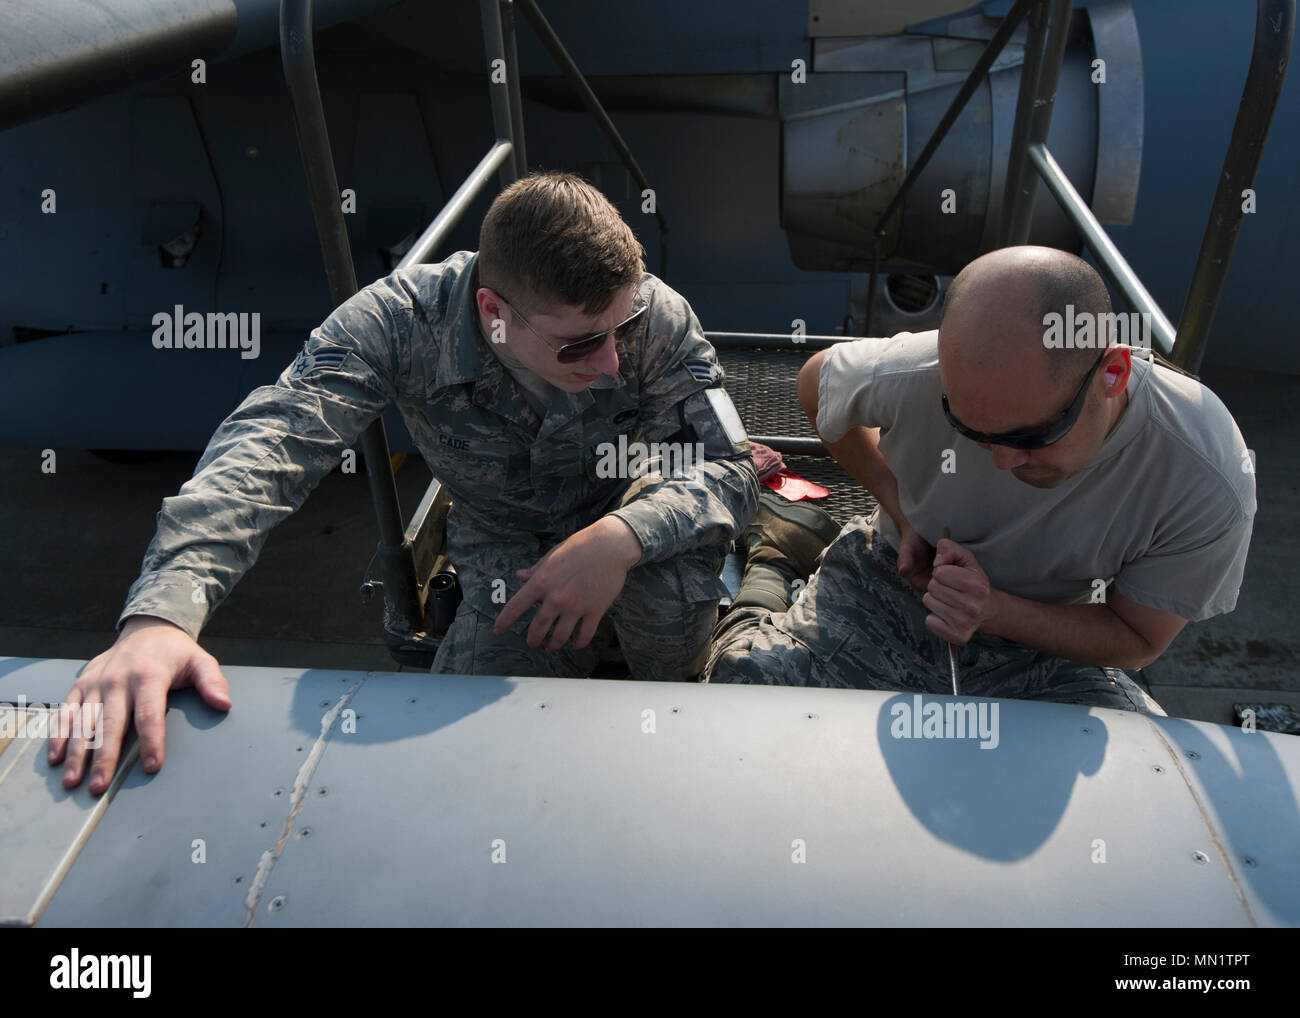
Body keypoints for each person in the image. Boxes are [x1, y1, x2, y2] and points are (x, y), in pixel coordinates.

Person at [51, 171, 758, 794]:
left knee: (672, 671)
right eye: (578, 344)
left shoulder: (655, 314)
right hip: (506, 549)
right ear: (494, 315)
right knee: (466, 760)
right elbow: (271, 441)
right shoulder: (399, 323)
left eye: (622, 329)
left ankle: (732, 613)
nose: (610, 361)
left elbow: (727, 463)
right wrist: (160, 617)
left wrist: (620, 538)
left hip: (638, 519)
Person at [704, 245, 1256, 714]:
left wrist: (994, 610)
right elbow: (815, 382)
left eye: (1030, 437)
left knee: (1146, 779)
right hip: (887, 587)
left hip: (1045, 642)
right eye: (968, 429)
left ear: (1112, 373)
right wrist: (905, 514)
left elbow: (1136, 640)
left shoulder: (1204, 471)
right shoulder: (920, 373)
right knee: (740, 692)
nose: (1000, 463)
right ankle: (772, 568)